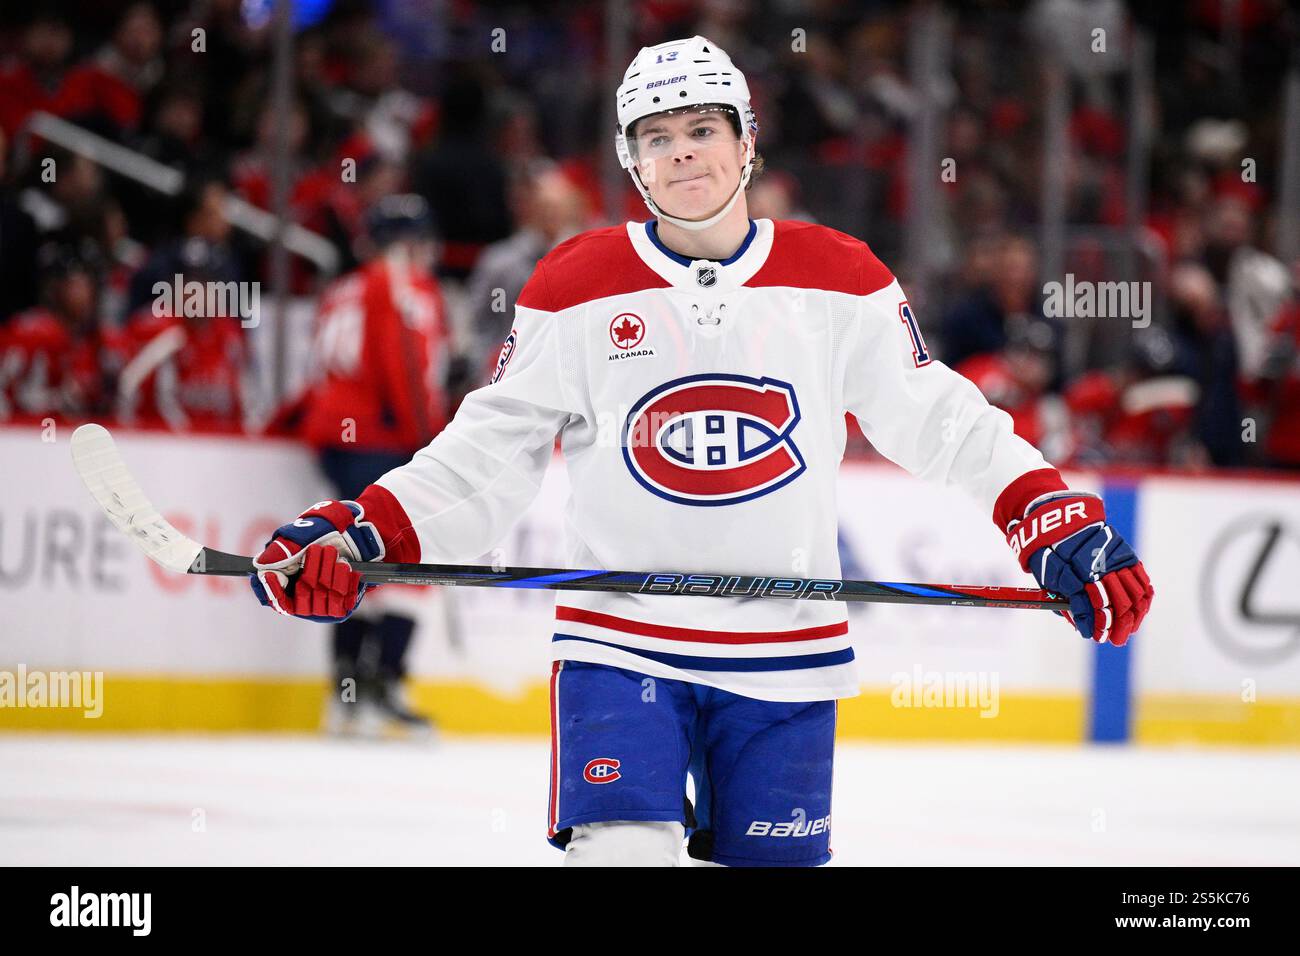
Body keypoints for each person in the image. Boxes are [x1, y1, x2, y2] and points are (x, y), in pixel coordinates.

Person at [247, 37, 1154, 866]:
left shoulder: (838, 276)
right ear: (628, 160)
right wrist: (362, 533)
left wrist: (1049, 513)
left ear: (747, 143)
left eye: (703, 127)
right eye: (655, 135)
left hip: (787, 657)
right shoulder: (575, 283)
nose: (681, 150)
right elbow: (486, 453)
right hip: (621, 646)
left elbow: (944, 418)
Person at [291, 194, 450, 736]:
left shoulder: (344, 286)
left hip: (338, 438)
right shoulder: (401, 282)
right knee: (409, 556)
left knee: (351, 561)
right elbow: (399, 363)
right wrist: (425, 440)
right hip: (383, 435)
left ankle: (347, 692)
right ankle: (385, 684)